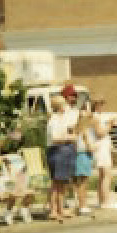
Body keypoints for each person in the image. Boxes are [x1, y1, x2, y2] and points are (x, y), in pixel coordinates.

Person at [45, 94, 78, 223]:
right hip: (57, 151)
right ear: (60, 107)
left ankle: (60, 208)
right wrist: (69, 138)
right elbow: (55, 138)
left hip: (63, 151)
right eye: (64, 105)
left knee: (61, 182)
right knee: (57, 182)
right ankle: (54, 210)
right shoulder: (53, 120)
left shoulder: (61, 119)